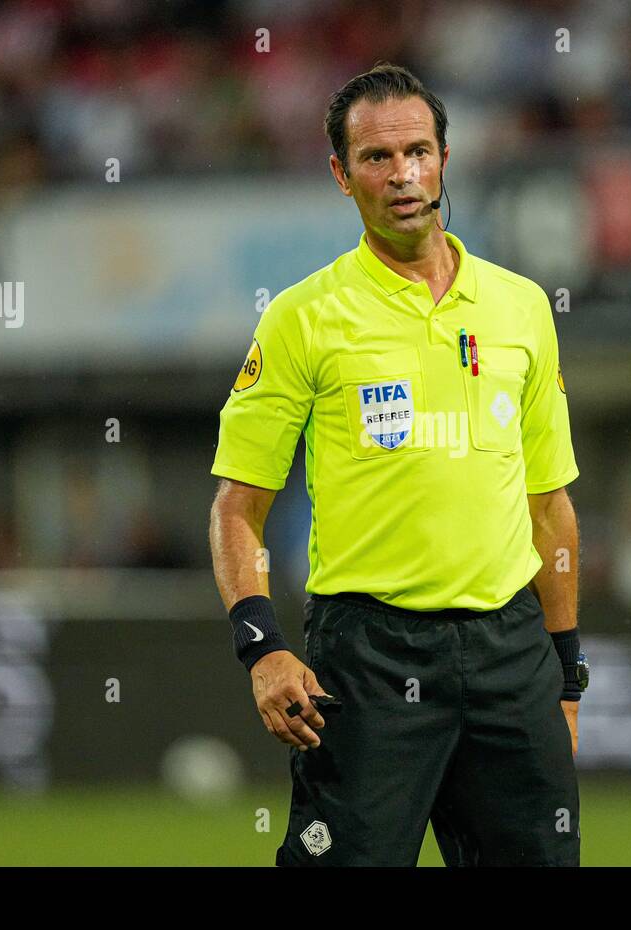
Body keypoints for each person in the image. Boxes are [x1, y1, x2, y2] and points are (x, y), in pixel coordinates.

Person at [208, 63, 586, 866]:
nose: (403, 173)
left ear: (446, 157)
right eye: (377, 158)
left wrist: (566, 677)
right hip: (369, 660)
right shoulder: (302, 318)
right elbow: (237, 506)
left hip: (510, 653)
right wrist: (262, 646)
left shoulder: (521, 308)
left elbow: (551, 509)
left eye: (418, 150)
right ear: (342, 176)